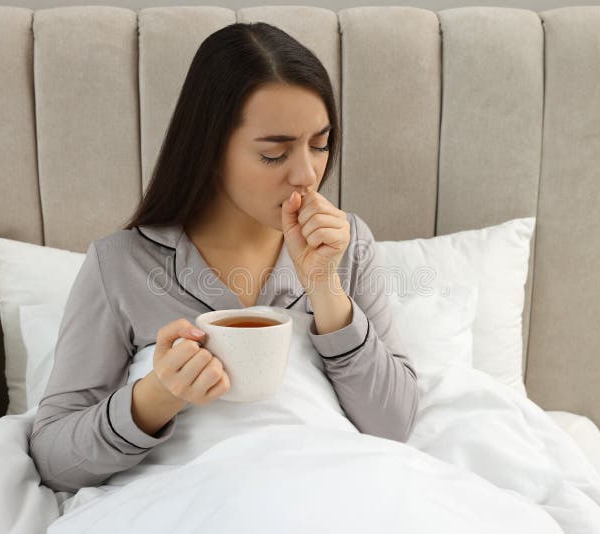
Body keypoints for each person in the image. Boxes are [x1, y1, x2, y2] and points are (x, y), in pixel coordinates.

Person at [29, 21, 419, 494]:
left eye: (320, 144)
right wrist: (157, 395)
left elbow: (394, 428)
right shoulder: (121, 264)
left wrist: (325, 287)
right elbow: (53, 460)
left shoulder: (348, 245)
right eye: (275, 154)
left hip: (331, 492)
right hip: (189, 502)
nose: (307, 175)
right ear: (209, 149)